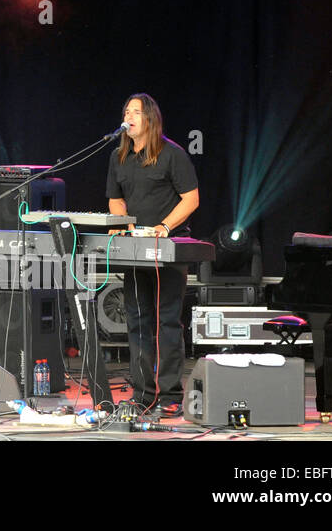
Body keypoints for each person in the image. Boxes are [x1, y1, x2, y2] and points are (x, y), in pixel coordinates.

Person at [106, 93, 199, 418]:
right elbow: (115, 200)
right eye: (126, 110)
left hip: (166, 251)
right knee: (138, 322)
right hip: (134, 250)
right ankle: (144, 393)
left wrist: (164, 226)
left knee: (166, 322)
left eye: (135, 111)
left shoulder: (173, 154)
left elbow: (191, 199)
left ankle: (170, 394)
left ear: (150, 119)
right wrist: (120, 224)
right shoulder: (119, 157)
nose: (128, 116)